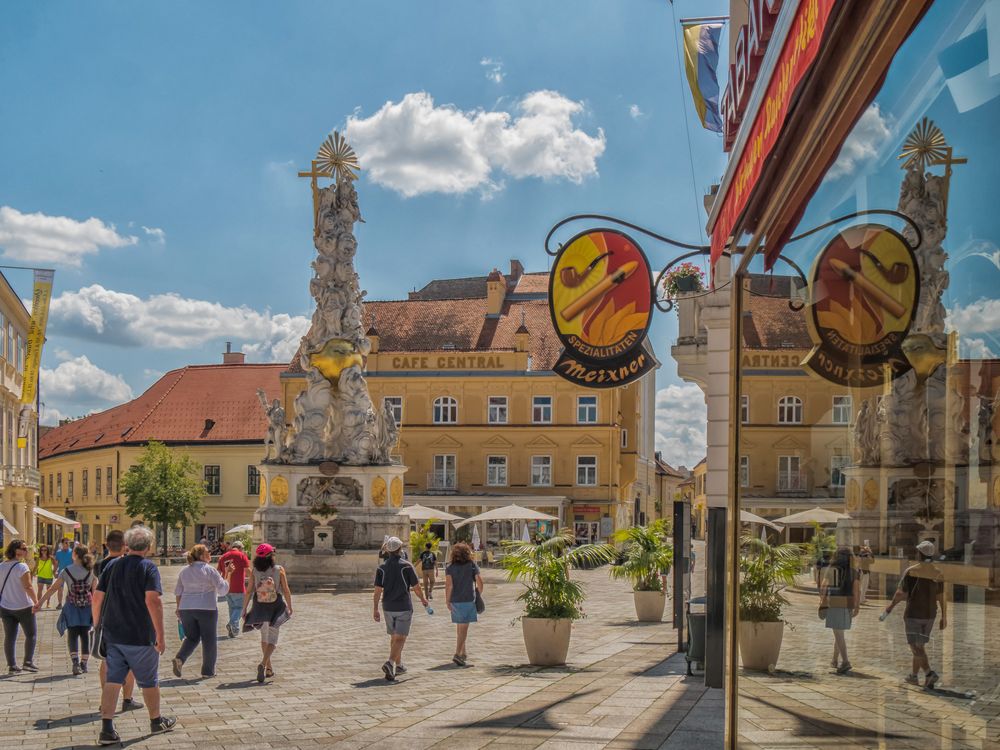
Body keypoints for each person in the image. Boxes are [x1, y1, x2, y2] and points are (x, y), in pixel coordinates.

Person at [92, 526, 176, 744]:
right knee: (148, 681)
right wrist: (160, 634)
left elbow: (97, 598)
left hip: (113, 634)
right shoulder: (148, 568)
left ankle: (107, 729)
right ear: (148, 547)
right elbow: (153, 601)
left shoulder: (111, 565)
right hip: (140, 634)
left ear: (127, 545)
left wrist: (97, 624)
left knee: (113, 681)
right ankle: (156, 721)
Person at [883, 540, 947, 689]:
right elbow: (941, 597)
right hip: (930, 615)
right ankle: (913, 676)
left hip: (913, 614)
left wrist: (890, 606)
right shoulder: (938, 573)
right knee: (920, 646)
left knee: (915, 647)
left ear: (920, 554)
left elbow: (900, 593)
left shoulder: (912, 571)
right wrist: (944, 616)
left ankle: (929, 673)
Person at [94, 530, 142, 712]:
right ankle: (127, 699)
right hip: (124, 616)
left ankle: (106, 699)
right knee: (128, 660)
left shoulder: (99, 565)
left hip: (105, 617)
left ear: (106, 545)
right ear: (125, 545)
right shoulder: (125, 564)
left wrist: (96, 620)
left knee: (106, 659)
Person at [34, 544, 97, 675]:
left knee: (73, 634)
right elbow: (95, 593)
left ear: (75, 555)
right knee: (86, 635)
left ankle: (75, 662)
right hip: (87, 607)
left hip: (71, 606)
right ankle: (84, 664)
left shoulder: (67, 570)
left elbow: (53, 589)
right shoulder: (91, 571)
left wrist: (39, 603)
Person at [373, 536, 428, 681]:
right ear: (400, 549)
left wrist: (375, 609)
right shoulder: (407, 566)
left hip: (387, 606)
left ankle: (399, 664)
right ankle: (390, 663)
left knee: (394, 637)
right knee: (401, 637)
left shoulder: (382, 568)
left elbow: (377, 591)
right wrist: (423, 600)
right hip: (403, 606)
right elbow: (416, 588)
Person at [172, 544, 230, 679]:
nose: (210, 554)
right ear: (203, 556)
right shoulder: (209, 570)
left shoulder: (184, 571)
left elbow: (178, 591)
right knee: (209, 640)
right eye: (208, 552)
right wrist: (229, 575)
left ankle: (180, 658)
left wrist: (178, 607)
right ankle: (208, 671)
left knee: (192, 638)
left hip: (186, 607)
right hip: (206, 608)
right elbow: (223, 590)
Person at [241, 544, 292, 683]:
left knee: (264, 638)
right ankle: (264, 664)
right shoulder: (279, 570)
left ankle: (269, 667)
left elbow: (249, 590)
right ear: (271, 556)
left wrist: (244, 608)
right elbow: (286, 590)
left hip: (259, 606)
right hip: (275, 606)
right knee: (273, 640)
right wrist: (290, 606)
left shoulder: (255, 571)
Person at [0, 539, 40, 674]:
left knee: (9, 636)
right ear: (16, 550)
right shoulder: (22, 567)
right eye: (23, 548)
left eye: (26, 548)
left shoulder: (1, 566)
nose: (26, 551)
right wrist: (36, 602)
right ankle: (28, 662)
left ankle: (12, 666)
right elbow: (28, 586)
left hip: (5, 607)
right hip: (23, 606)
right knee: (31, 634)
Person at [820, 546, 860, 674]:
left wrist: (822, 600)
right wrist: (857, 605)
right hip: (848, 603)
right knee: (839, 633)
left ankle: (846, 661)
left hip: (835, 602)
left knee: (838, 633)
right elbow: (856, 590)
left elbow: (824, 587)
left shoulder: (832, 569)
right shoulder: (854, 571)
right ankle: (834, 660)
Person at [444, 542, 483, 666]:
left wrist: (447, 600)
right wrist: (478, 593)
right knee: (464, 629)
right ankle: (457, 654)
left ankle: (463, 653)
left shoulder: (450, 567)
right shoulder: (472, 565)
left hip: (455, 600)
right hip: (467, 600)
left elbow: (449, 586)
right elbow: (480, 581)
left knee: (460, 628)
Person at [217, 540, 250, 638]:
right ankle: (232, 623)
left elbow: (218, 572)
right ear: (240, 548)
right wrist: (256, 580)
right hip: (239, 587)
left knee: (232, 608)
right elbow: (248, 571)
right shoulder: (241, 556)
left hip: (226, 587)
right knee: (239, 608)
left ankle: (233, 631)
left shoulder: (223, 557)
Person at [54, 538, 74, 609]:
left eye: (68, 543)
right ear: (62, 544)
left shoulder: (72, 552)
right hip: (61, 573)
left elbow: (75, 562)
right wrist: (55, 571)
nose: (67, 544)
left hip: (70, 573)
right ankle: (60, 603)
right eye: (66, 543)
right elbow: (56, 563)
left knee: (71, 589)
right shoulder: (58, 553)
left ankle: (71, 603)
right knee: (60, 589)